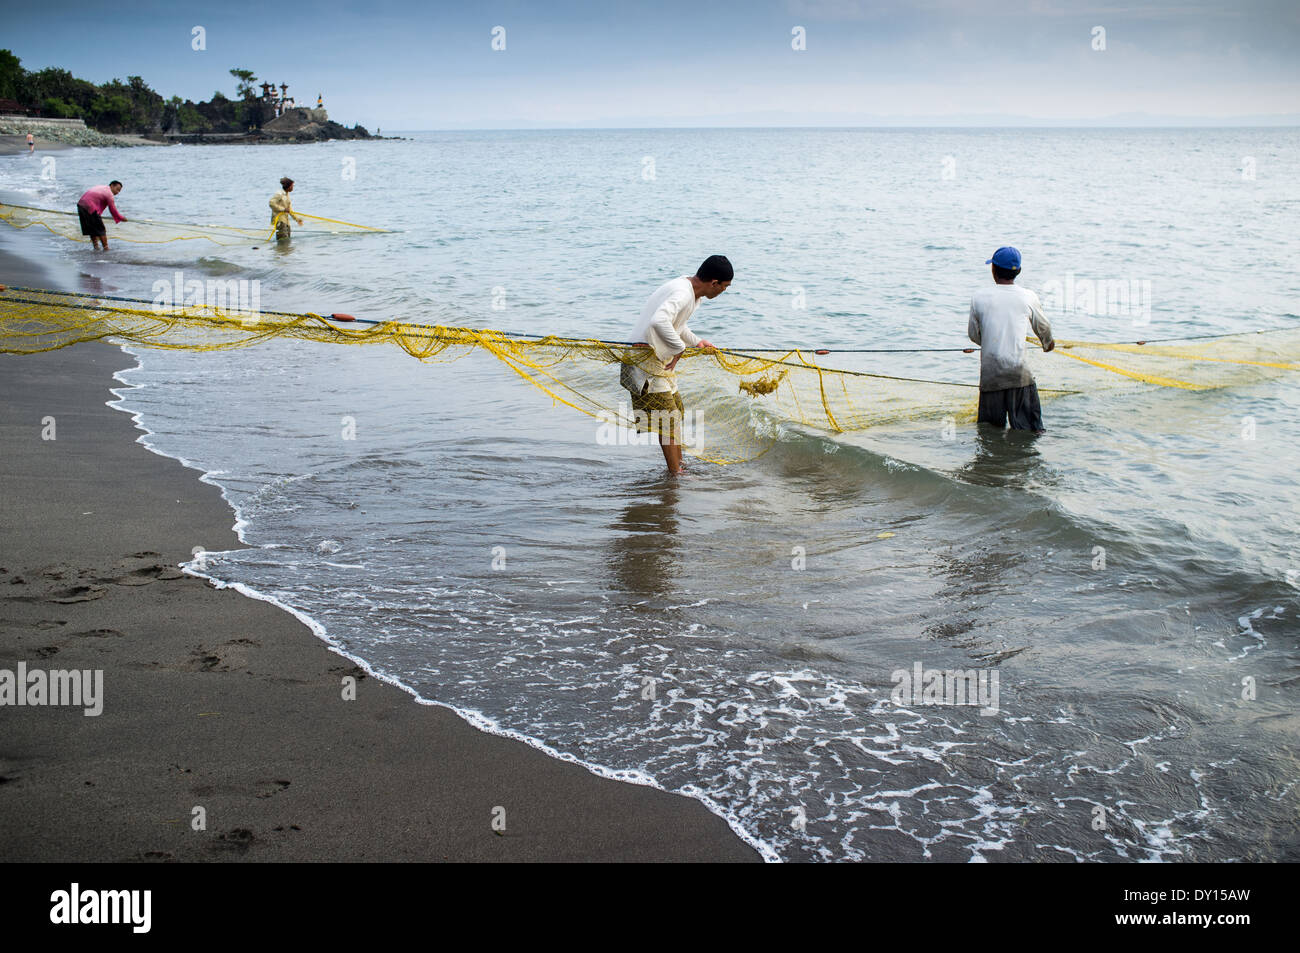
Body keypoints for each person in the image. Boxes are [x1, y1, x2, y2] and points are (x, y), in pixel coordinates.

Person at [625, 255, 732, 475]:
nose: (723, 292)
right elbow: (658, 321)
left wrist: (696, 341)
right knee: (668, 418)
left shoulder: (691, 293)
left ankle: (679, 466)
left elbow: (676, 325)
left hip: (656, 360)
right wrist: (679, 348)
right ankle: (675, 475)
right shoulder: (683, 293)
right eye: (724, 287)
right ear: (714, 283)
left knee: (675, 412)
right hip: (642, 361)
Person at [967, 246, 1055, 433]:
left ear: (993, 270)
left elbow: (974, 335)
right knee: (1031, 431)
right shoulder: (1028, 296)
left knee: (989, 432)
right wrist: (1048, 344)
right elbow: (1043, 327)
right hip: (1019, 376)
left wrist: (990, 341)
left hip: (991, 376)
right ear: (1018, 272)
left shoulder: (979, 297)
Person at [76, 181, 126, 251]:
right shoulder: (109, 194)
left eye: (119, 191)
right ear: (111, 186)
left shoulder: (101, 187)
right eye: (117, 189)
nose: (117, 192)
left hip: (81, 205)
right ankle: (106, 248)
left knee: (92, 228)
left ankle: (96, 247)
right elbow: (113, 210)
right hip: (90, 207)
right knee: (101, 229)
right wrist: (121, 218)